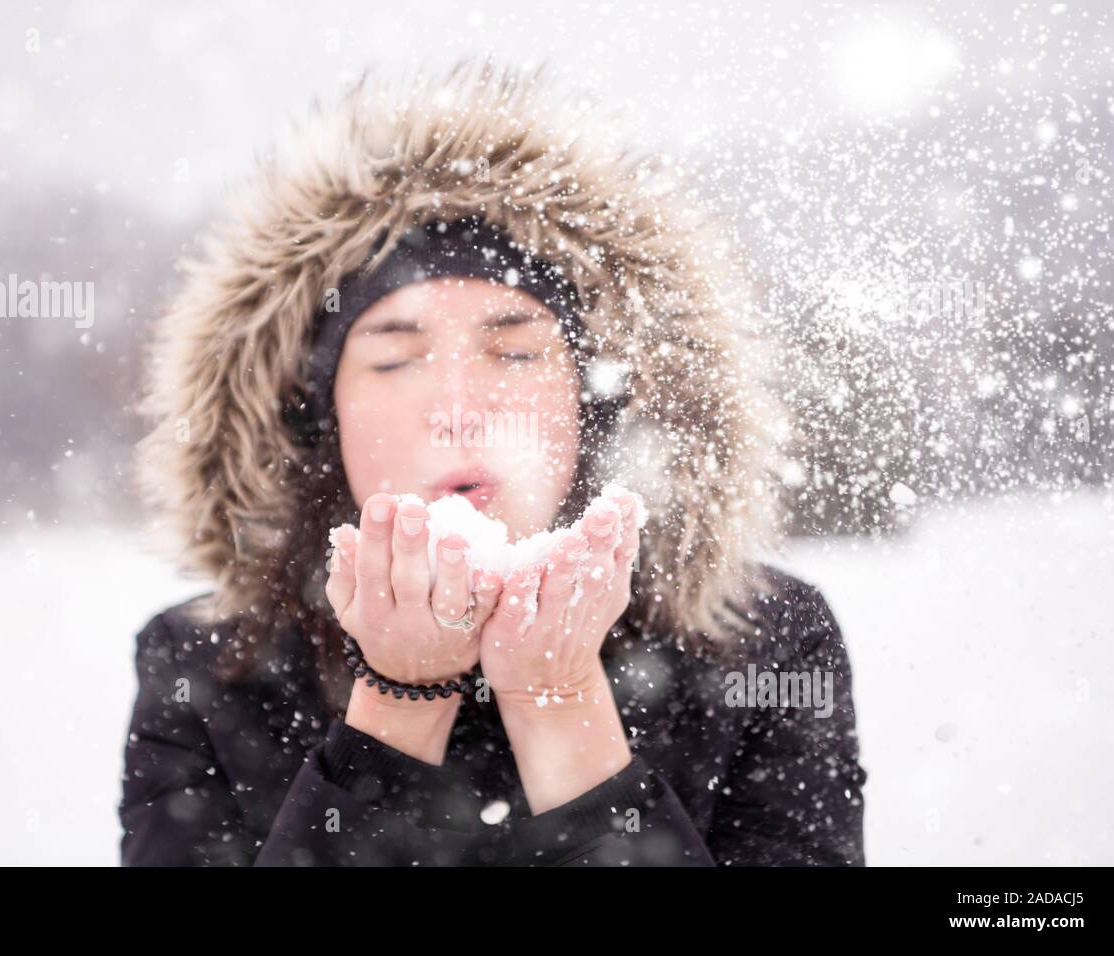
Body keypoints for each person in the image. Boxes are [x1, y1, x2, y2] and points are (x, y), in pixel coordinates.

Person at [119, 57, 867, 866]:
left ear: (593, 405)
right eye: (395, 359)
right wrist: (399, 700)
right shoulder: (211, 670)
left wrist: (558, 701)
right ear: (319, 420)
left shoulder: (760, 648)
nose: (457, 406)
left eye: (514, 351)